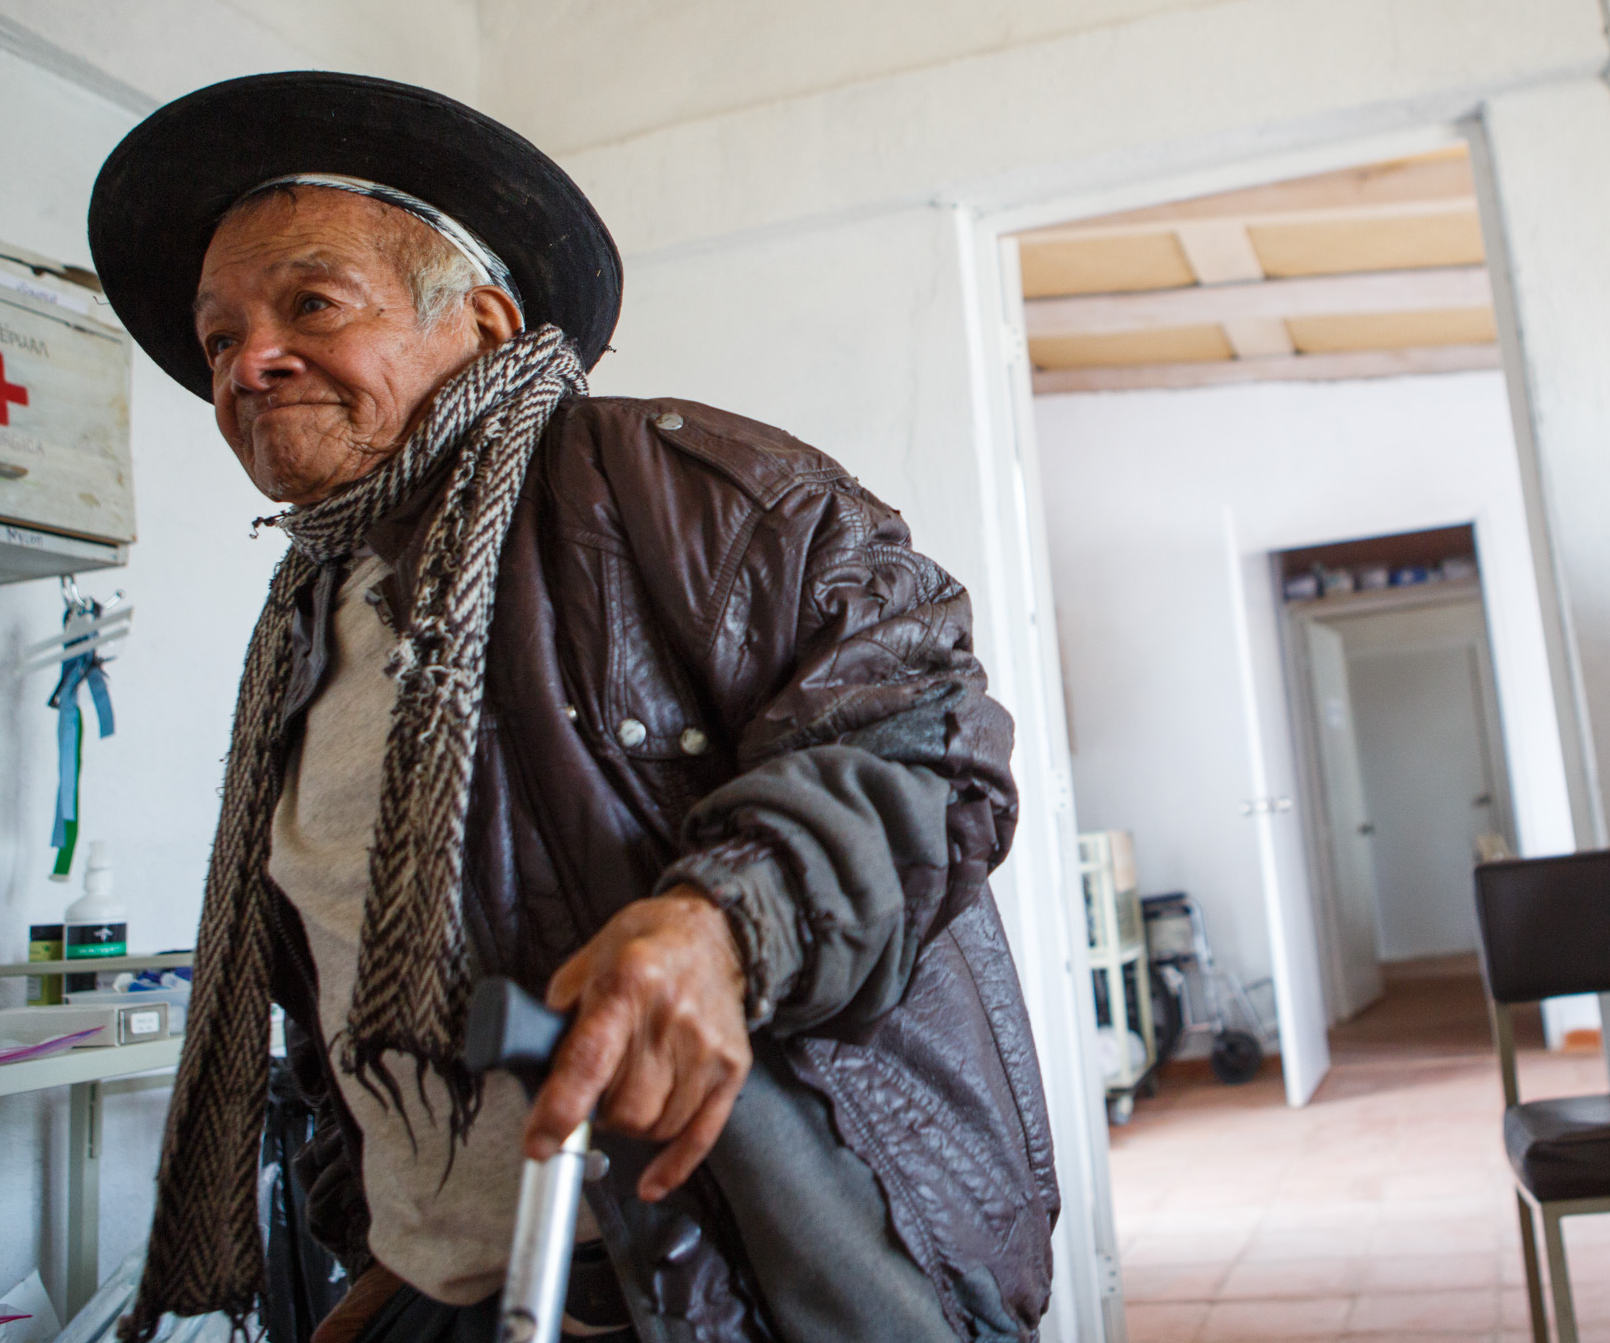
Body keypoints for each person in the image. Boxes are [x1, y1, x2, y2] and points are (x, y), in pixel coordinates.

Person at [88, 72, 1057, 1343]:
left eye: (309, 303)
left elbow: (925, 741)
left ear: (486, 325)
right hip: (466, 1294)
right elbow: (340, 1012)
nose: (249, 362)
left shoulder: (670, 484)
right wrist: (389, 1255)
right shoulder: (306, 629)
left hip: (752, 1277)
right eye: (220, 339)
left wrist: (722, 923)